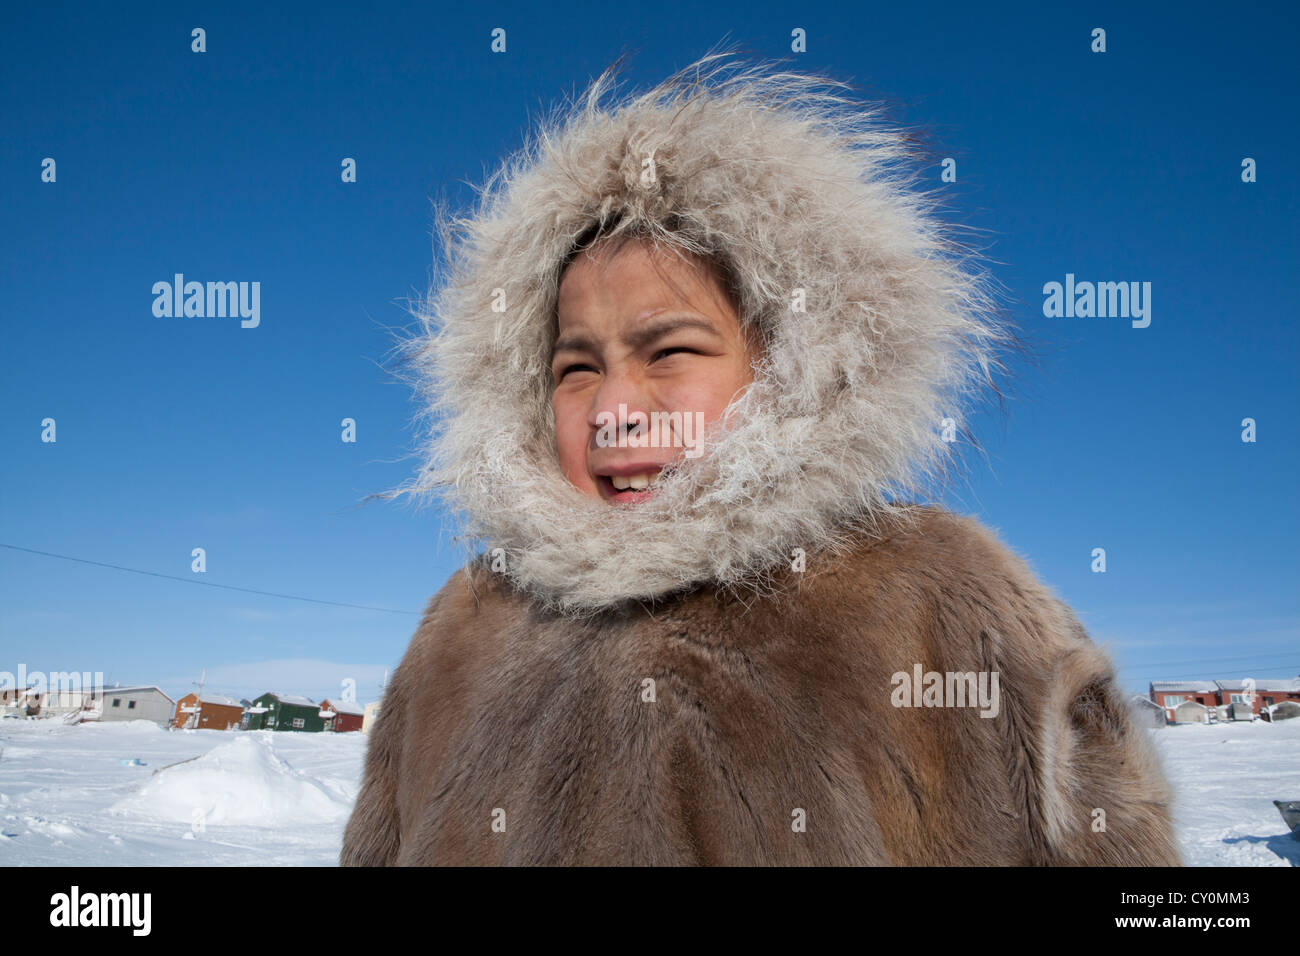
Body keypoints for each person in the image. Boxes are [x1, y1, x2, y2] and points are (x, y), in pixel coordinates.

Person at [341, 53, 1181, 866]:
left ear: (788, 362)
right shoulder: (464, 630)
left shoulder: (951, 607)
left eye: (668, 350)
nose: (613, 412)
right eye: (577, 367)